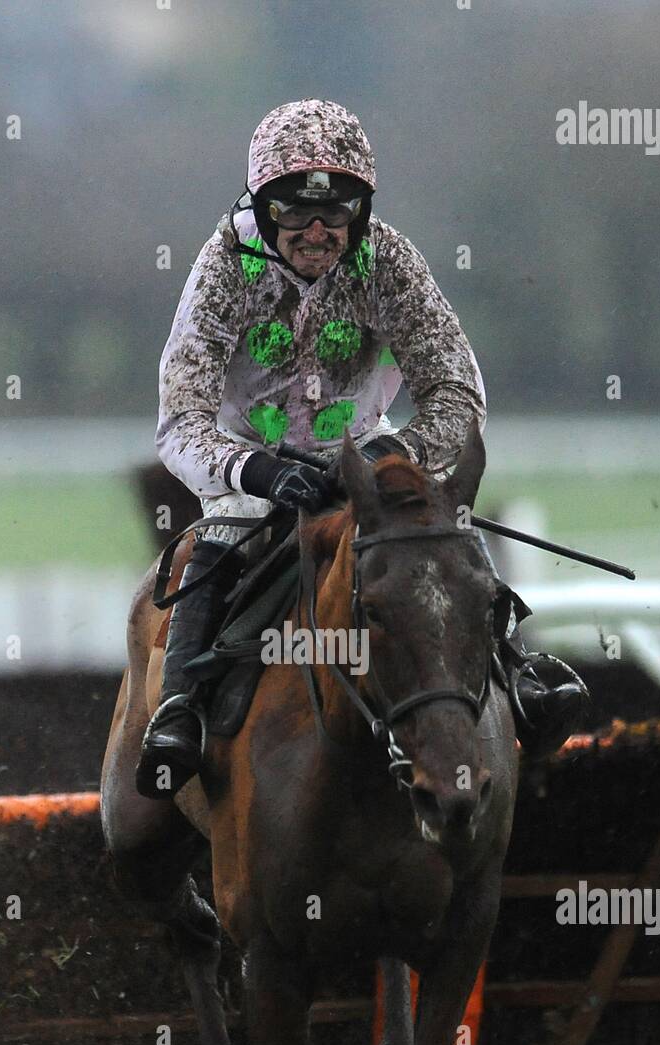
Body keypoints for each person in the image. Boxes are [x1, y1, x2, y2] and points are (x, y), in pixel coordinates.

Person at [136, 98, 586, 798]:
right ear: (261, 204)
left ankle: (518, 668)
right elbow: (179, 418)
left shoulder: (391, 261)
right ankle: (180, 709)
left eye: (338, 208)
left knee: (440, 527)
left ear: (363, 210)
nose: (317, 230)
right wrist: (253, 469)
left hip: (365, 454)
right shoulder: (223, 266)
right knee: (231, 531)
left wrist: (392, 460)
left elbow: (457, 396)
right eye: (293, 209)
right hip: (249, 464)